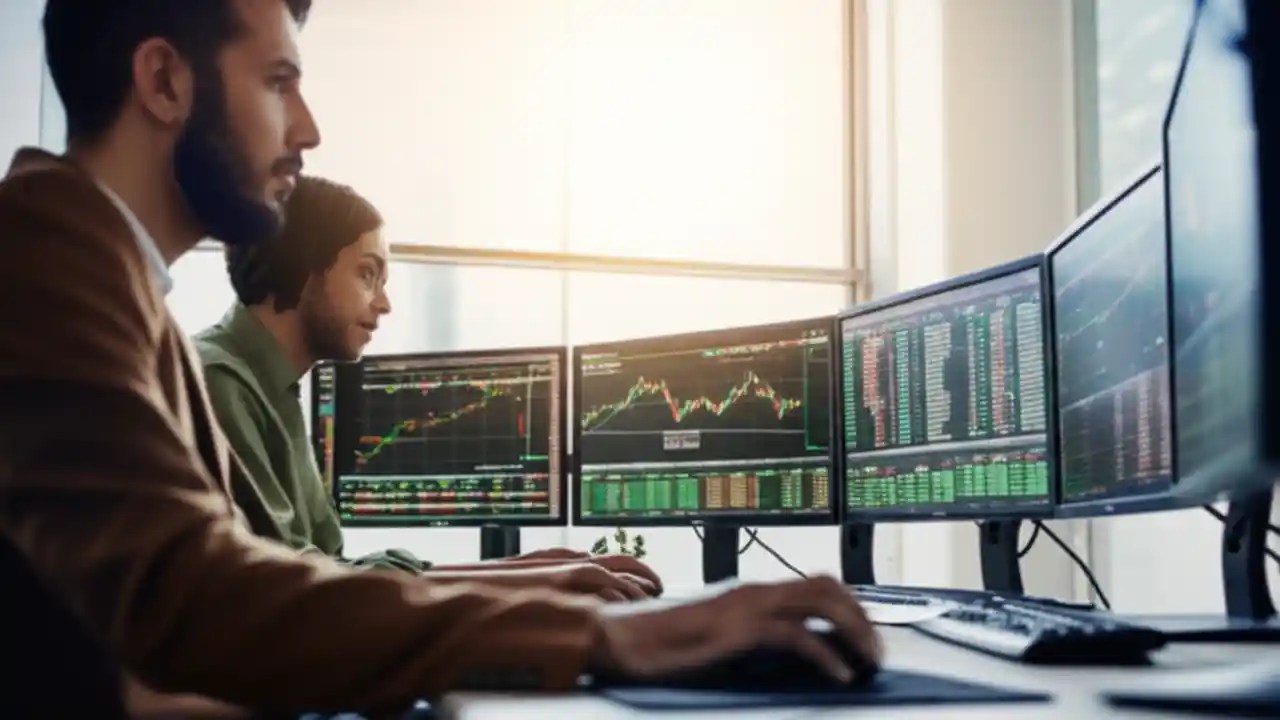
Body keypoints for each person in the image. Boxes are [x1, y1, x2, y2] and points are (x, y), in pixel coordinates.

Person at [0, 0, 880, 714]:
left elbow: (255, 577)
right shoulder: (42, 255)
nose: (307, 128)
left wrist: (536, 600)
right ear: (163, 81)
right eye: (278, 82)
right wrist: (613, 638)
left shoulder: (111, 278)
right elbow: (192, 598)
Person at [195, 173, 661, 599]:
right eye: (366, 274)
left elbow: (333, 569)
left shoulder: (276, 390)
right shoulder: (220, 384)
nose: (384, 303)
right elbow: (307, 591)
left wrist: (526, 569)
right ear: (303, 266)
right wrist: (542, 581)